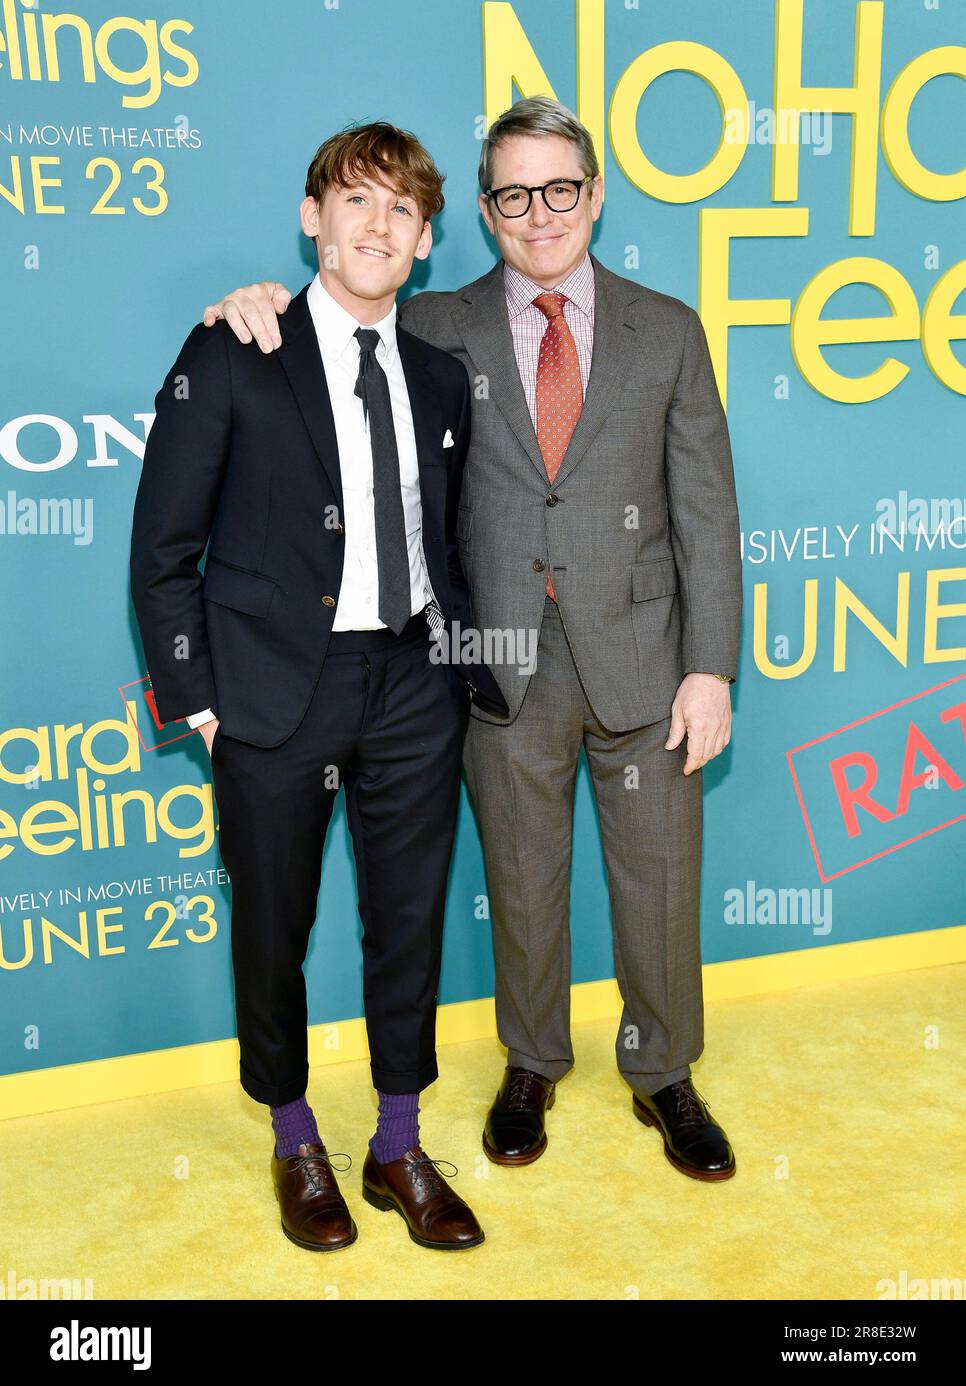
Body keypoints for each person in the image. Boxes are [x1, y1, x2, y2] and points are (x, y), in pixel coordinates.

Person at [200, 97, 744, 1183]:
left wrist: (710, 667)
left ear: (593, 195)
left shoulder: (668, 329)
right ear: (485, 212)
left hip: (644, 657)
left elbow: (708, 513)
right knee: (523, 878)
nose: (537, 213)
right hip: (490, 663)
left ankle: (663, 1073)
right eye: (511, 193)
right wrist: (249, 302)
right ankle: (532, 1062)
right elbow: (327, 331)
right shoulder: (434, 325)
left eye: (558, 189)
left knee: (659, 878)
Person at [130, 121, 508, 1254]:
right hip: (270, 692)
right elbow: (163, 550)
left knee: (407, 922)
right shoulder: (234, 348)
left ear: (426, 240)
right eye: (357, 202)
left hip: (411, 683)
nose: (378, 225)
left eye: (402, 210)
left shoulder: (440, 376)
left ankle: (398, 1140)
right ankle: (296, 1134)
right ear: (313, 219)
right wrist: (199, 702)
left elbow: (445, 538)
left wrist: (454, 667)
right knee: (274, 925)